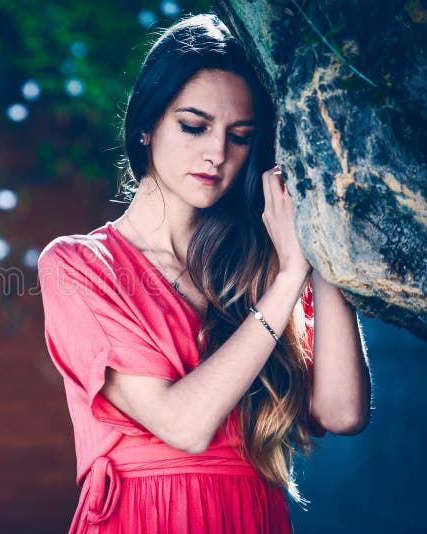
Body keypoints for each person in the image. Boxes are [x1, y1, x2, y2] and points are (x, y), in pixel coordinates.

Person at [37, 13, 371, 534]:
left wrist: (319, 239)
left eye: (240, 137)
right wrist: (288, 282)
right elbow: (184, 425)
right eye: (194, 126)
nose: (217, 153)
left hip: (251, 513)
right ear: (145, 127)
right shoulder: (79, 266)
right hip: (144, 517)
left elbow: (343, 411)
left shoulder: (261, 258)